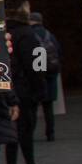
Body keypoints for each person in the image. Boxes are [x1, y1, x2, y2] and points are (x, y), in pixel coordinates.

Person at [4, 0, 46, 164]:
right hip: (25, 88)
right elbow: (38, 62)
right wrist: (40, 86)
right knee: (26, 128)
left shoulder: (4, 32)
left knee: (11, 130)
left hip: (8, 87)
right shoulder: (28, 34)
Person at [29, 12, 61, 140]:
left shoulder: (30, 35)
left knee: (33, 108)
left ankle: (30, 134)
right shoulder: (50, 35)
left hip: (37, 75)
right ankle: (50, 133)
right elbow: (59, 52)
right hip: (51, 75)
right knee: (48, 108)